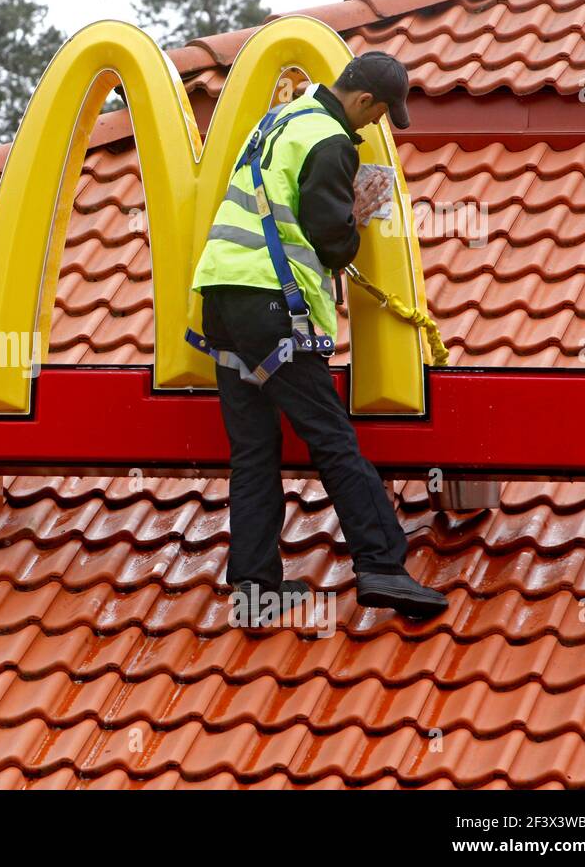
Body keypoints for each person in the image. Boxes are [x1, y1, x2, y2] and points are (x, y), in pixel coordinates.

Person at [190, 51, 448, 619]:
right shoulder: (330, 140)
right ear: (363, 101)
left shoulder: (278, 118)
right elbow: (331, 241)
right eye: (378, 115)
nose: (374, 126)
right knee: (332, 438)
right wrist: (356, 217)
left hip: (221, 299)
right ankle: (381, 567)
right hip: (274, 307)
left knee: (254, 451)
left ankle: (254, 591)